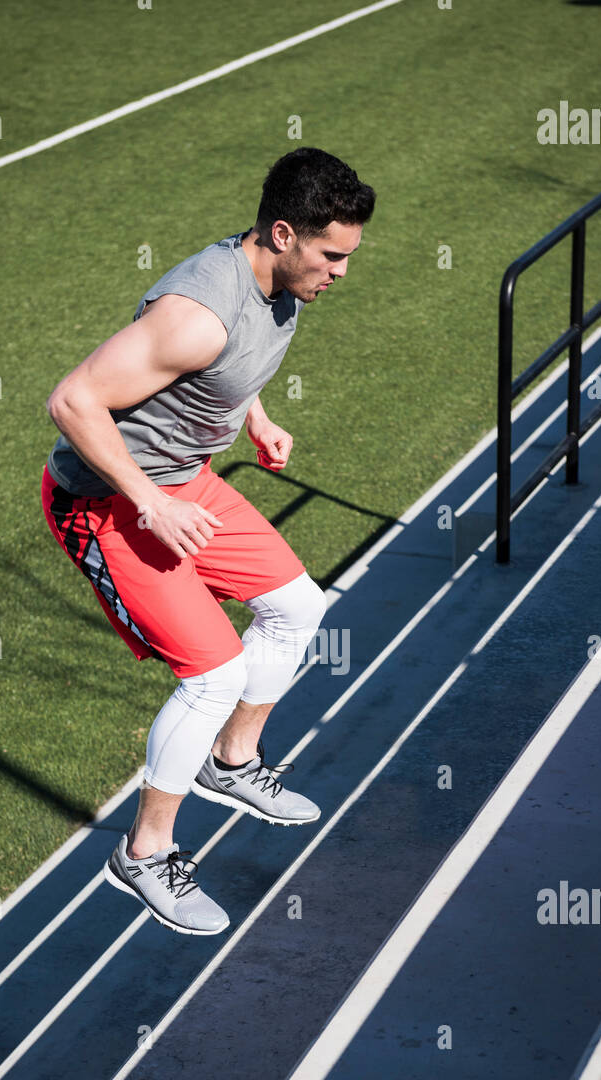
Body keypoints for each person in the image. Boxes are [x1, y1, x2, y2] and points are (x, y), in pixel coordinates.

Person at [41, 147, 375, 935]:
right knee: (213, 671)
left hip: (184, 480)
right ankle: (144, 853)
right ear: (286, 234)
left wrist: (254, 417)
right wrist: (150, 501)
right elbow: (72, 400)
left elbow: (235, 368)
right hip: (107, 502)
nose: (341, 272)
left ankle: (233, 763)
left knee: (298, 608)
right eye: (332, 256)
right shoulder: (196, 316)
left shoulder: (279, 278)